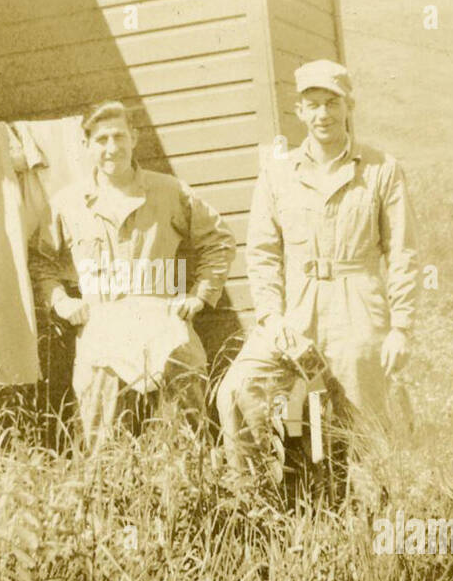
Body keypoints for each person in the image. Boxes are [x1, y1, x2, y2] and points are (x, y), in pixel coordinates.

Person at [217, 59, 420, 480]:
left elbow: (402, 252)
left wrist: (401, 326)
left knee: (365, 419)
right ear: (300, 111)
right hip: (294, 310)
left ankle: (369, 517)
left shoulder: (381, 170)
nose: (323, 114)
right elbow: (262, 252)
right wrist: (272, 317)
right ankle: (261, 497)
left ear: (349, 106)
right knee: (239, 388)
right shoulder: (278, 173)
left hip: (358, 305)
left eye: (332, 103)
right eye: (313, 105)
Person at [29, 101, 236, 449]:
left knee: (188, 440)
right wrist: (62, 301)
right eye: (101, 139)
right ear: (87, 145)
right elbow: (41, 260)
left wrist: (201, 294)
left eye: (119, 136)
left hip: (165, 326)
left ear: (134, 137)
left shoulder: (169, 191)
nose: (112, 148)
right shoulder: (68, 203)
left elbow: (219, 240)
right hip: (102, 330)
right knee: (102, 444)